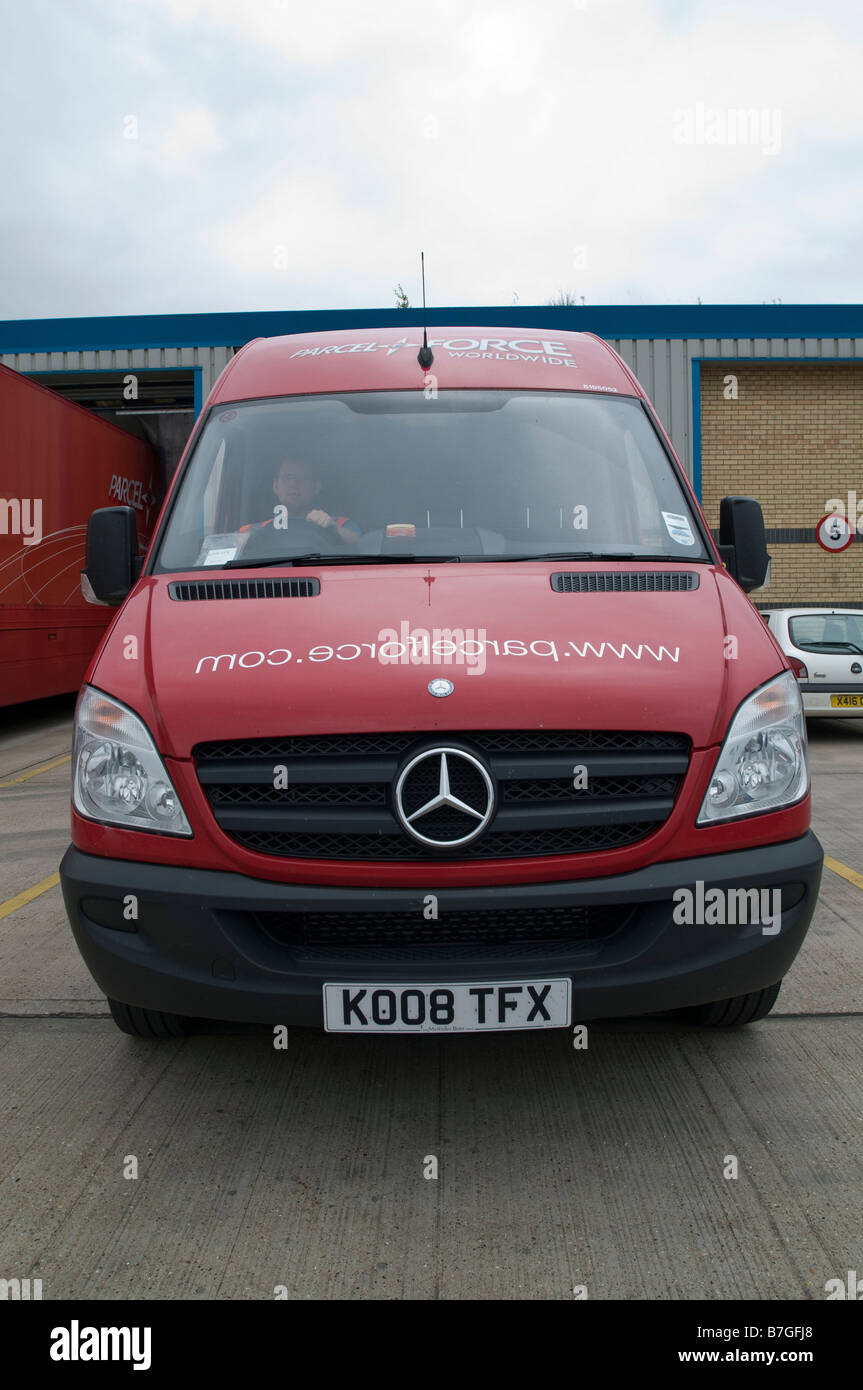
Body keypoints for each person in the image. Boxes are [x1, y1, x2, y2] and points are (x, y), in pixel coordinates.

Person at [240, 457, 361, 544]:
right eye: (287, 477)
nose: (293, 484)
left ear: (317, 487)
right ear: (275, 486)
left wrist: (333, 528)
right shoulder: (251, 531)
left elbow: (360, 544)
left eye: (303, 478)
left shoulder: (341, 524)